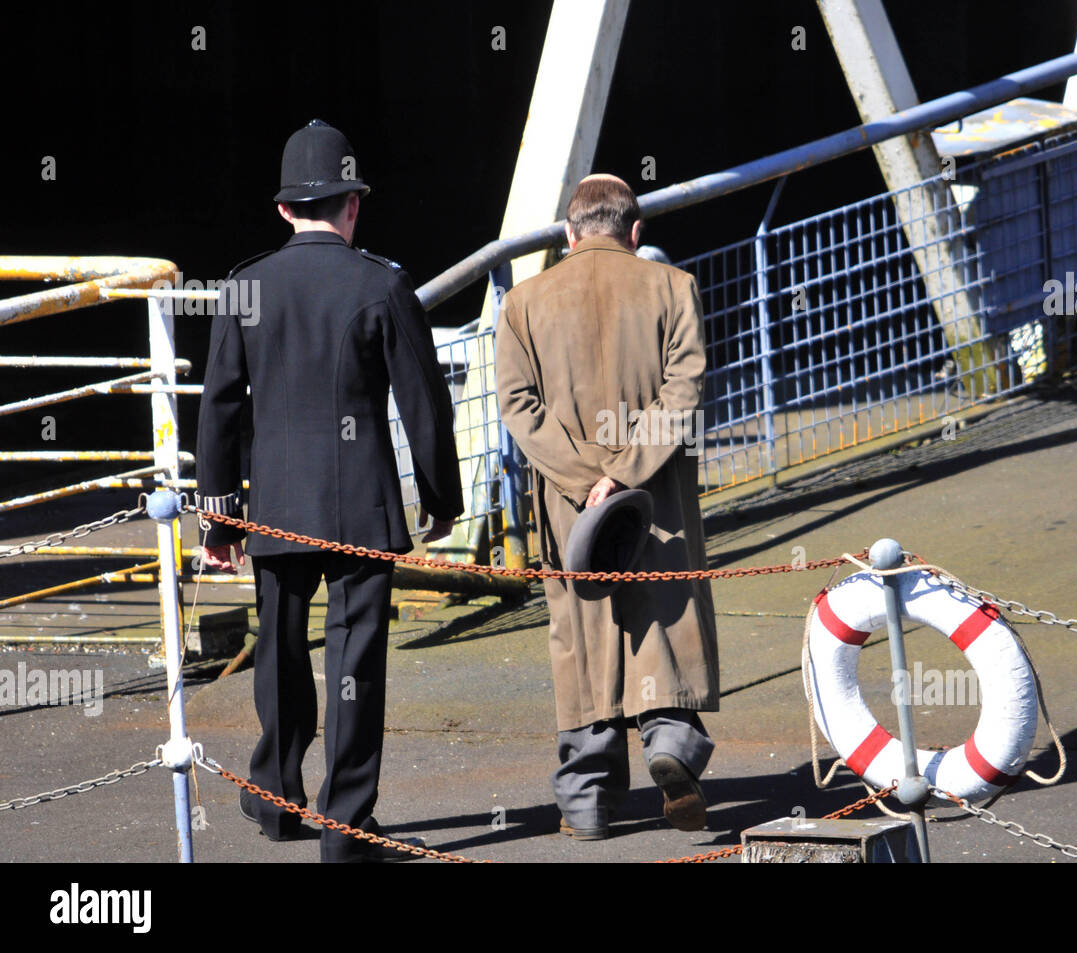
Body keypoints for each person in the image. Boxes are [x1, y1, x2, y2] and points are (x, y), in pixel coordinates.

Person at [196, 119, 462, 862]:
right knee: (356, 665)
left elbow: (218, 406)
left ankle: (277, 799)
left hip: (276, 506)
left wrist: (220, 521)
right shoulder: (382, 283)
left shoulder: (246, 285)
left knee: (278, 652)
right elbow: (424, 403)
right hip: (362, 509)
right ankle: (347, 828)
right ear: (353, 205)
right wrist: (441, 499)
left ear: (284, 210)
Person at [496, 174, 720, 840]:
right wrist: (623, 476)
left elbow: (518, 406)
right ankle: (670, 742)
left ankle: (589, 796)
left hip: (570, 501)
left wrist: (583, 480)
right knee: (661, 612)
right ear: (635, 231)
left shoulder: (524, 303)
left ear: (570, 233)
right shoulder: (673, 287)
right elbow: (686, 385)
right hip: (656, 494)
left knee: (582, 632)